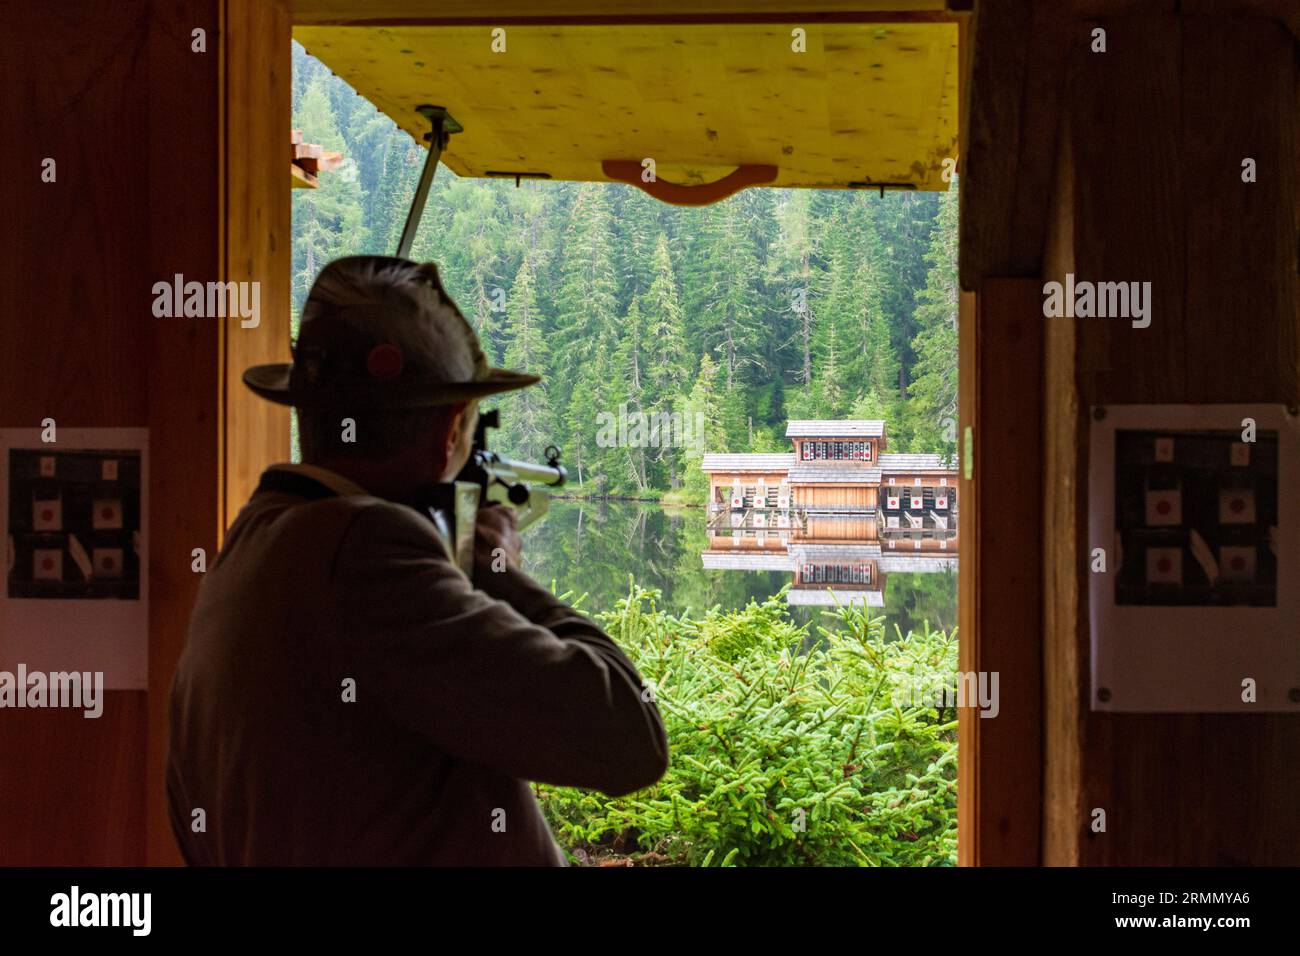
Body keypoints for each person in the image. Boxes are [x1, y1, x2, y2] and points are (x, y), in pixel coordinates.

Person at [166, 255, 669, 865]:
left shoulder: (252, 549)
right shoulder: (367, 554)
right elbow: (629, 738)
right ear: (448, 433)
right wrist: (498, 572)